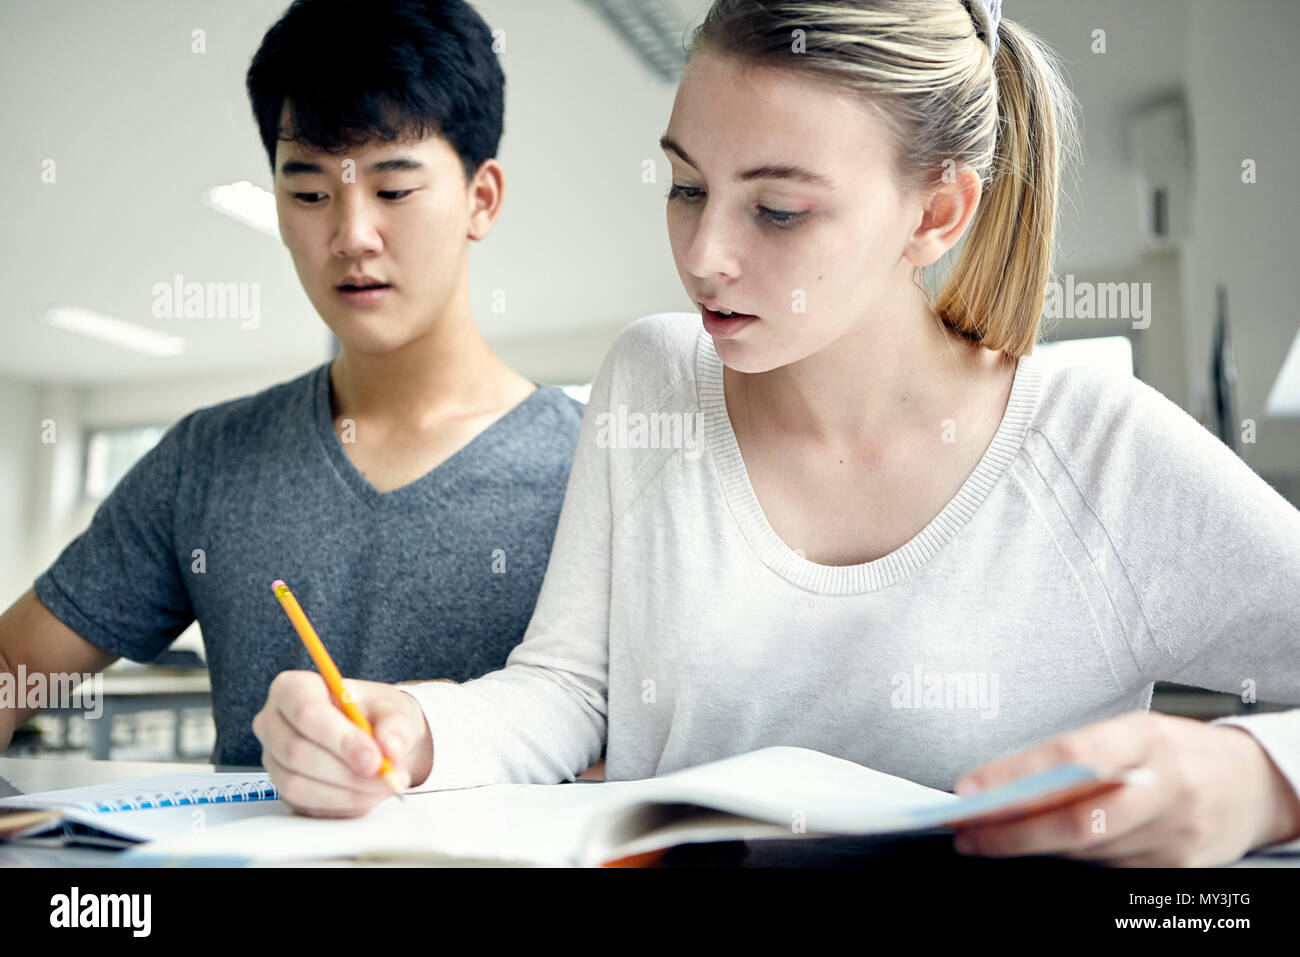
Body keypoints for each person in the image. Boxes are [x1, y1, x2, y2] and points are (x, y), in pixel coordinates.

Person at [257, 0, 1300, 865]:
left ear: (936, 214)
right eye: (685, 185)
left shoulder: (1092, 446)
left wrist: (1260, 781)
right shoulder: (653, 380)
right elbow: (569, 690)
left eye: (779, 211)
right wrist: (417, 729)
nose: (704, 253)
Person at [0, 0, 585, 773]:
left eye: (395, 189)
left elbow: (643, 752)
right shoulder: (206, 458)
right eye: (309, 193)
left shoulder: (591, 469)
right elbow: (15, 666)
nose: (350, 235)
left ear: (482, 198)